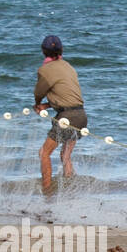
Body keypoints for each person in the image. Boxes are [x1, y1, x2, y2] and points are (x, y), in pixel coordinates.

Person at [32, 35, 87, 192]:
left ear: (43, 51)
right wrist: (48, 105)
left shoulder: (45, 70)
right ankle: (71, 190)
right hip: (81, 115)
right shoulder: (68, 67)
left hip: (66, 118)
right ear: (61, 50)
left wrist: (38, 104)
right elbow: (67, 97)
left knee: (44, 153)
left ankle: (47, 193)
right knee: (65, 156)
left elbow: (39, 91)